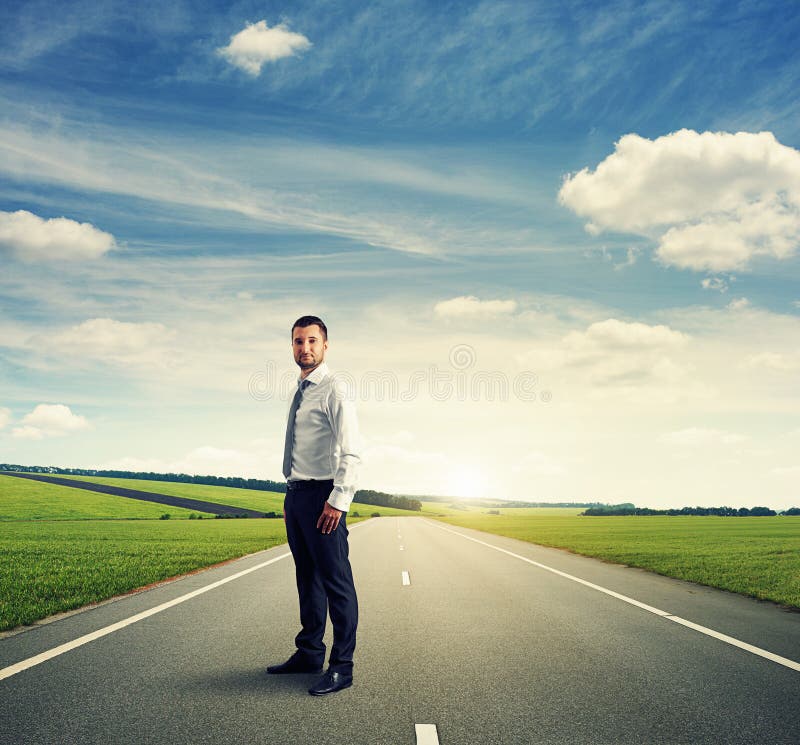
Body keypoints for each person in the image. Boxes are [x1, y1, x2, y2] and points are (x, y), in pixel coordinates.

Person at [267, 315, 361, 696]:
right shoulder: (301, 388)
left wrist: (337, 502)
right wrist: (291, 497)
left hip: (325, 496)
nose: (303, 348)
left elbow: (352, 452)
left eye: (311, 341)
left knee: (337, 584)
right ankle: (309, 653)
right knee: (307, 578)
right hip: (299, 495)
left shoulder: (334, 388)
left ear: (325, 345)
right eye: (297, 341)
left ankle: (342, 666)